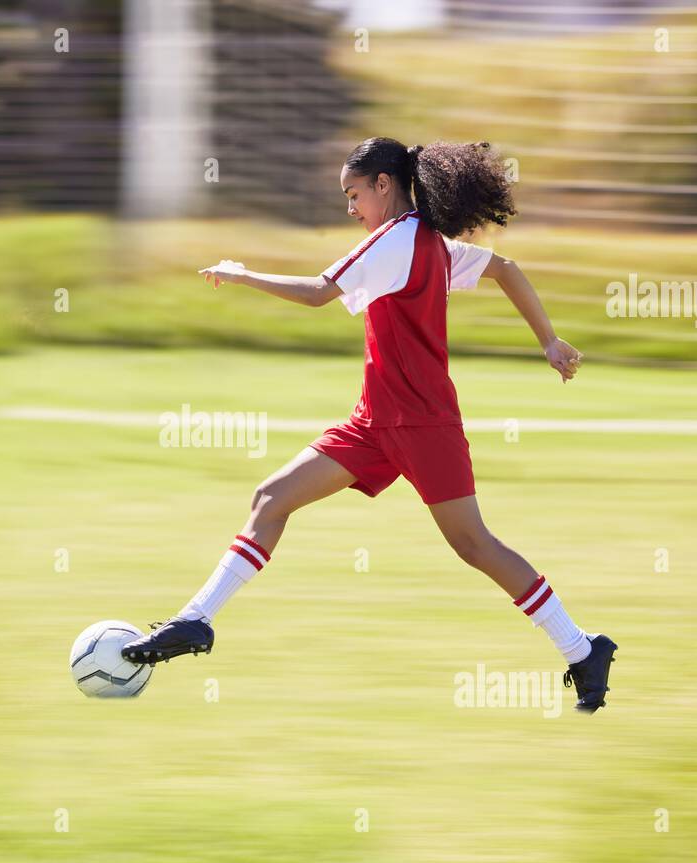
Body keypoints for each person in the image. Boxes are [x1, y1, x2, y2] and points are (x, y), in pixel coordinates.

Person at [121, 137, 618, 713]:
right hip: (374, 425)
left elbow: (315, 294)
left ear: (385, 185)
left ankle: (582, 649)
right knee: (270, 498)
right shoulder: (429, 242)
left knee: (474, 544)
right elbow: (505, 269)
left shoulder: (396, 237)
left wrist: (240, 273)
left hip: (425, 424)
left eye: (354, 194)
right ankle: (196, 619)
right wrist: (549, 340)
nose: (350, 207)